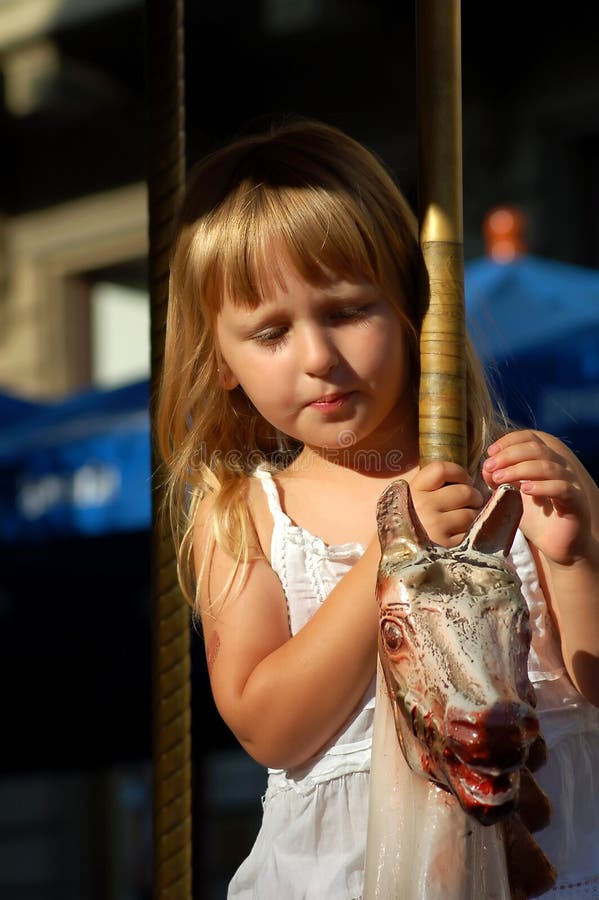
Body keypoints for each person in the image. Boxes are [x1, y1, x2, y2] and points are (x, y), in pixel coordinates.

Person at [156, 119, 599, 899]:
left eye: (345, 311)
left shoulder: (511, 482)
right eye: (270, 332)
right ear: (219, 361)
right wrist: (384, 566)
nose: (319, 358)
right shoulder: (246, 515)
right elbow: (269, 726)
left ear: (407, 305)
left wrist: (576, 556)